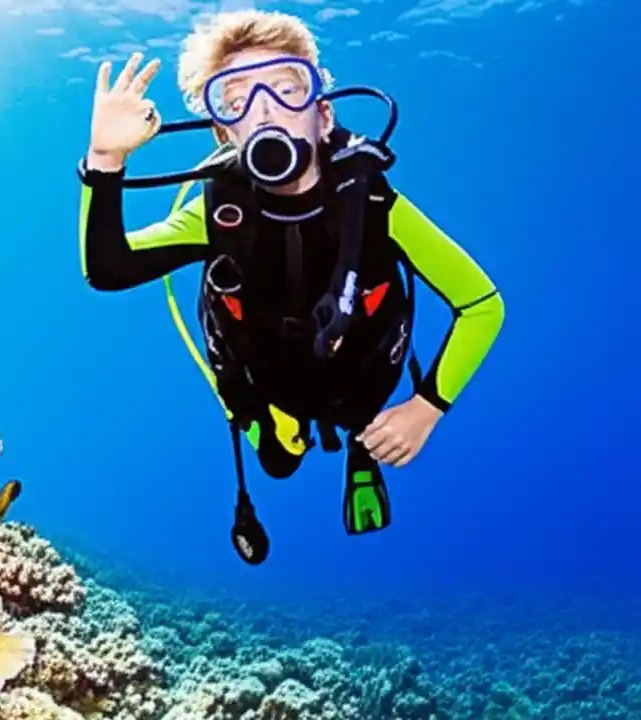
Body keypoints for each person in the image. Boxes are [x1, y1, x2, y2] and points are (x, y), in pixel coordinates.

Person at [75, 9, 504, 564]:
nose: (266, 112)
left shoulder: (373, 203)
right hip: (265, 383)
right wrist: (106, 160)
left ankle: (360, 452)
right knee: (278, 461)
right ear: (223, 131)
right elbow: (107, 269)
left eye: (286, 88)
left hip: (364, 376)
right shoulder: (214, 212)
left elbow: (482, 304)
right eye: (236, 99)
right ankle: (281, 426)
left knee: (365, 422)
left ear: (323, 116)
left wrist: (426, 407)